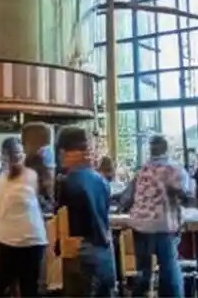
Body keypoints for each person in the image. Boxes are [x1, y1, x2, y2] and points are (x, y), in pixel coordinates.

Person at [122, 135, 189, 298]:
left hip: (139, 224)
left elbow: (127, 197)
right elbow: (185, 195)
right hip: (162, 224)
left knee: (143, 271)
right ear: (166, 147)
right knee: (169, 270)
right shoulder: (173, 169)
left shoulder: (144, 169)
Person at [56, 127, 115, 297]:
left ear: (64, 152)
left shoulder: (68, 183)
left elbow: (63, 225)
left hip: (80, 258)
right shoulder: (102, 181)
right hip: (104, 255)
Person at [0, 137, 47, 297]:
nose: (17, 160)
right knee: (0, 290)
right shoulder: (0, 182)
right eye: (14, 155)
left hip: (28, 242)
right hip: (10, 242)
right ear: (4, 156)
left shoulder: (30, 176)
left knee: (24, 289)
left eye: (20, 155)